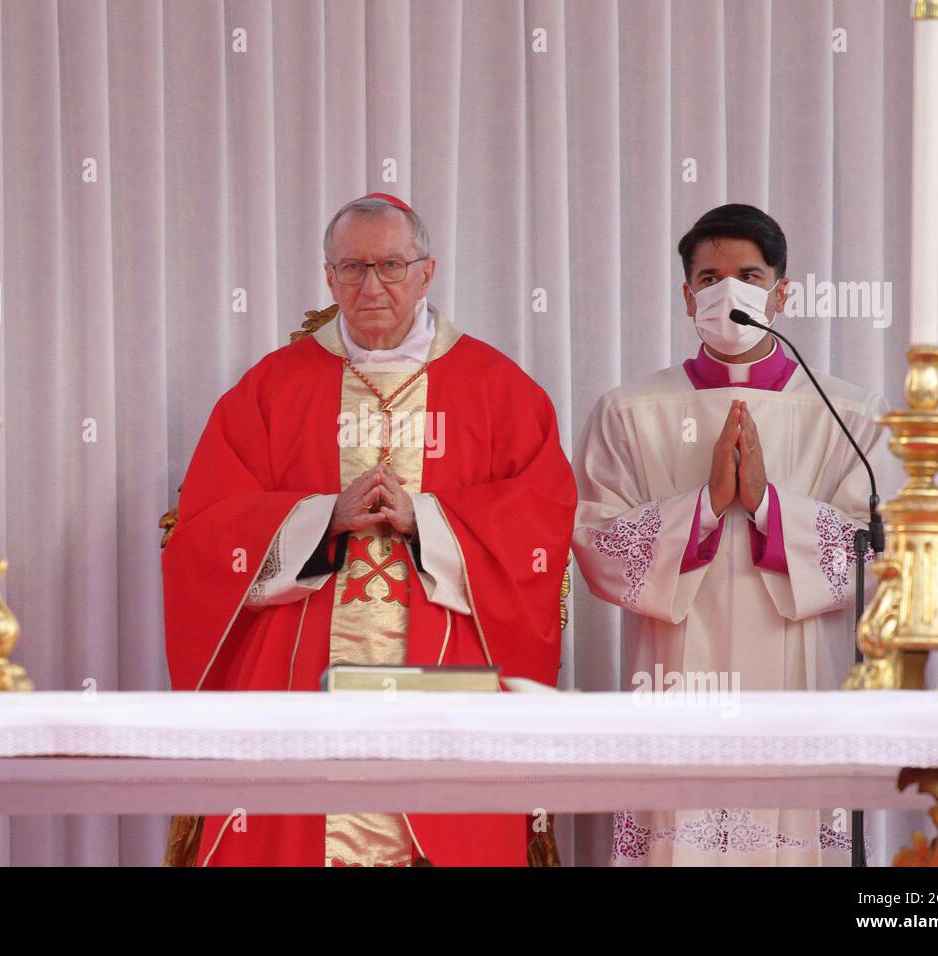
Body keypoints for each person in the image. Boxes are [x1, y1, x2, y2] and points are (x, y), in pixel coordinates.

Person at [162, 193, 576, 866]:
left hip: (447, 668)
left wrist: (428, 520)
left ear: (426, 272)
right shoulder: (271, 388)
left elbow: (545, 520)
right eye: (352, 267)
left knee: (448, 827)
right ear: (328, 278)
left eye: (390, 264)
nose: (371, 284)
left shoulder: (498, 388)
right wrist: (324, 517)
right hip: (302, 666)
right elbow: (205, 529)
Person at [572, 203, 889, 865]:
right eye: (710, 278)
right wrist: (705, 510)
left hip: (802, 670)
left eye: (748, 274)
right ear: (688, 296)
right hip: (673, 672)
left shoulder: (848, 411)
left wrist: (772, 509)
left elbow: (882, 551)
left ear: (782, 291)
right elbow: (594, 543)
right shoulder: (629, 410)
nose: (728, 292)